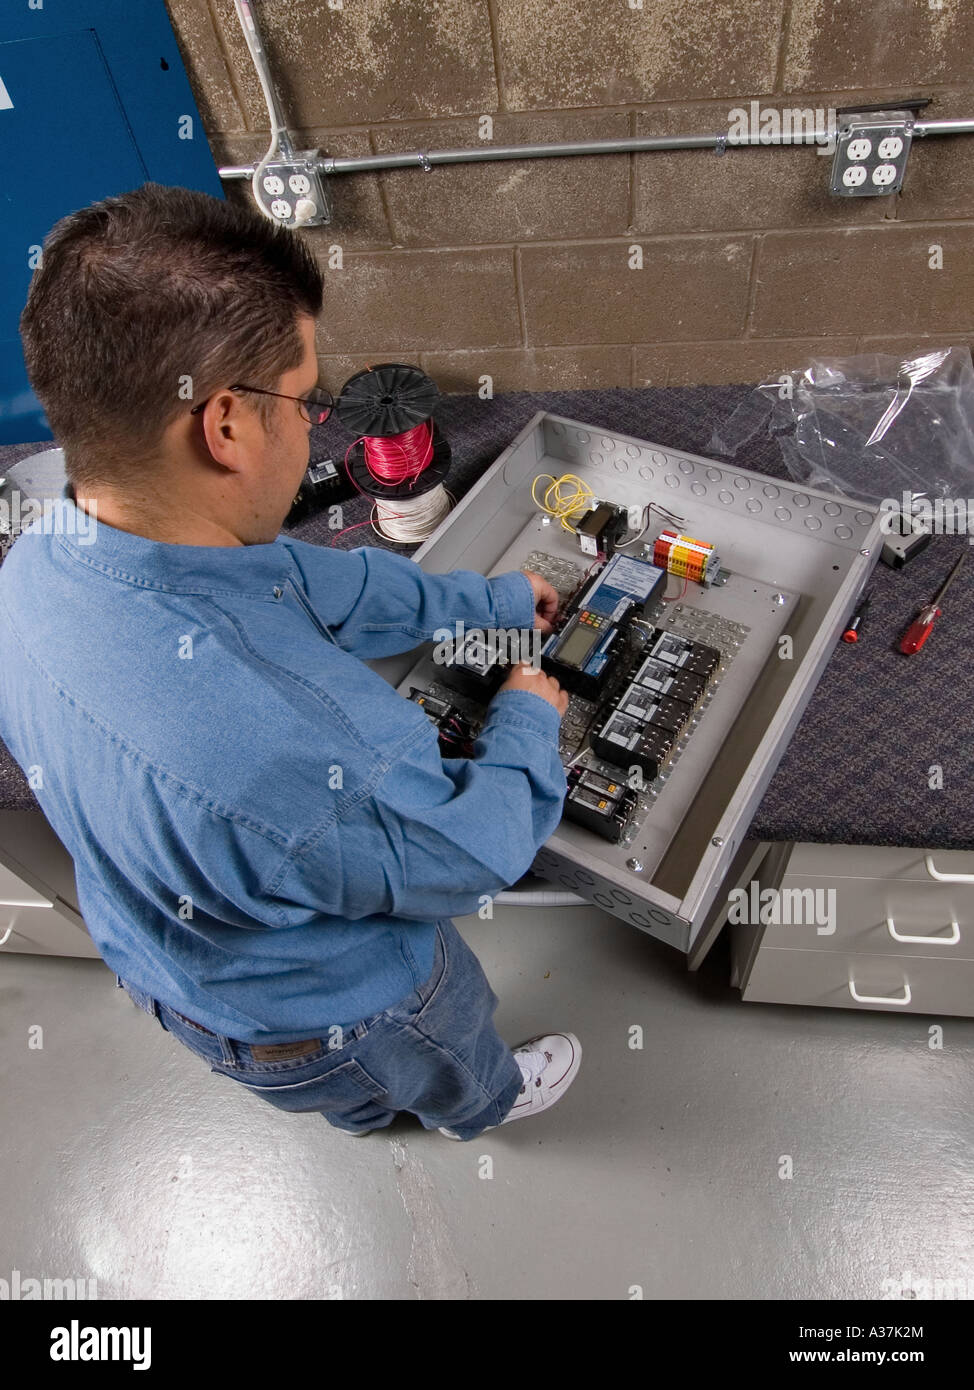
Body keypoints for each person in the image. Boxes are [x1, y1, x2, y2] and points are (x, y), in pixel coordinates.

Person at [0, 183, 581, 1141]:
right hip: (342, 1012)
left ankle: (365, 1113)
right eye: (306, 401)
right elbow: (474, 852)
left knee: (346, 1100)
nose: (319, 429)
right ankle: (483, 1106)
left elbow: (318, 586)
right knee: (436, 1058)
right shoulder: (299, 758)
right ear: (224, 425)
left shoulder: (39, 566)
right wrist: (527, 715)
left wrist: (491, 601)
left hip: (177, 981)